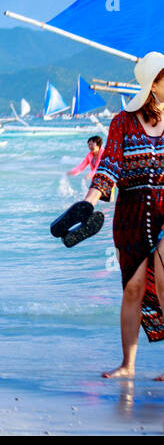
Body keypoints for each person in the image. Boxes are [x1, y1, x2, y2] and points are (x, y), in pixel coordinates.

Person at [86, 52, 164, 379]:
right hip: (130, 215)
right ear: (152, 84)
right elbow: (110, 166)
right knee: (132, 288)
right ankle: (128, 365)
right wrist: (88, 202)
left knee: (163, 279)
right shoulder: (122, 122)